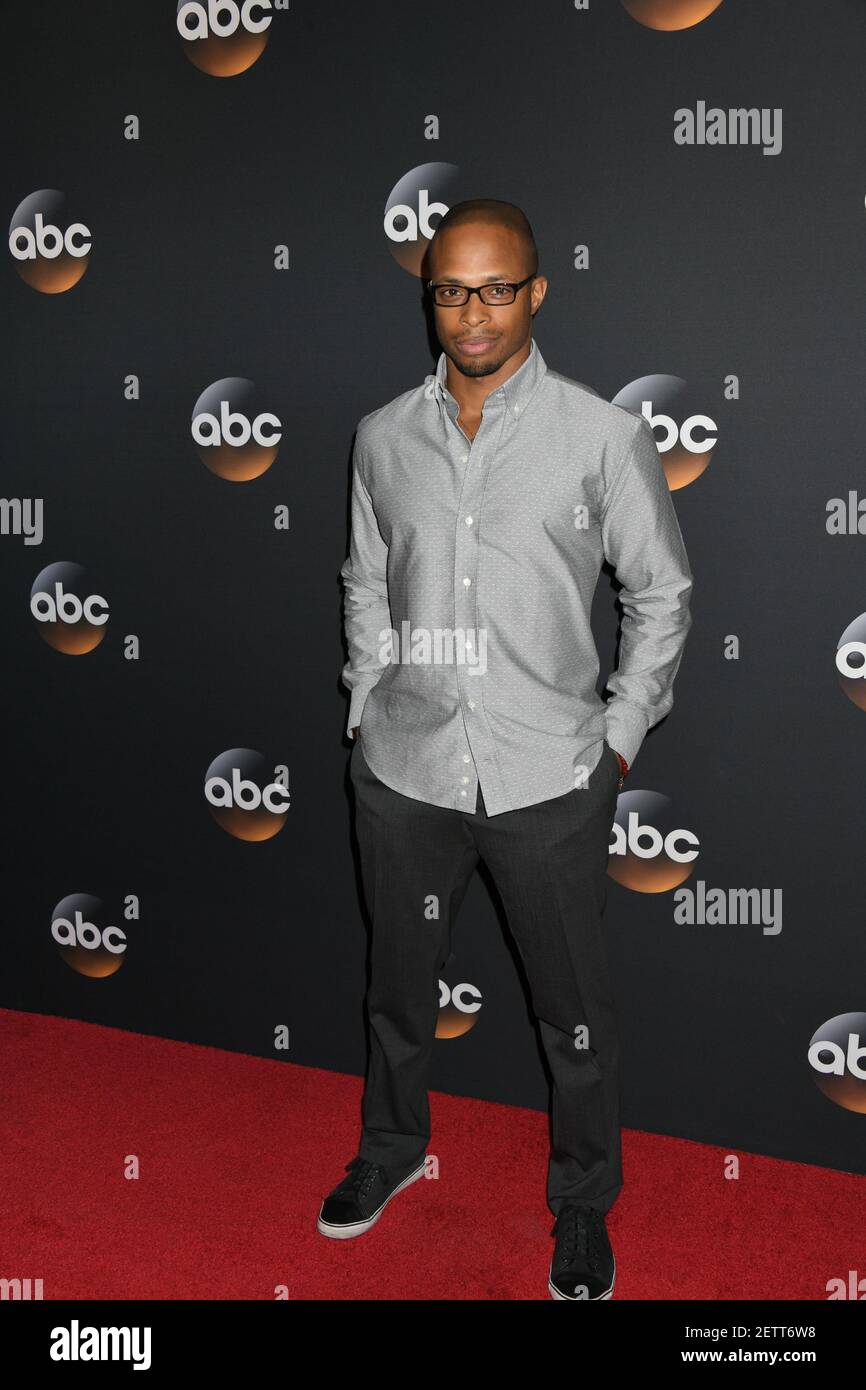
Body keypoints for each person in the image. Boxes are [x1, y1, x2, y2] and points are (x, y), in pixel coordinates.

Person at [320, 198, 694, 1300]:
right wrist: (364, 704)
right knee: (396, 993)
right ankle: (386, 1156)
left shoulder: (599, 434)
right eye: (448, 289)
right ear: (426, 296)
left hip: (547, 778)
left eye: (494, 288)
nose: (470, 312)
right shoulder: (382, 437)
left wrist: (616, 737)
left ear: (535, 291)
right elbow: (360, 580)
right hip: (404, 770)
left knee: (572, 1014)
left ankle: (580, 1206)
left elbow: (662, 595)